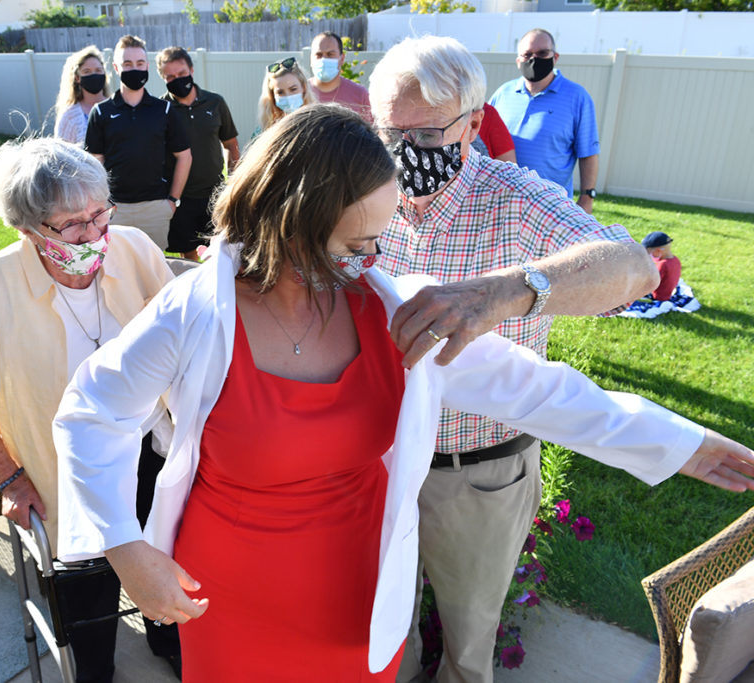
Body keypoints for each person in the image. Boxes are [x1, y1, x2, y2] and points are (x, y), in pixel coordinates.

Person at [51, 105, 754, 682]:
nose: (375, 260)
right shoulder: (196, 312)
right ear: (292, 221)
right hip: (228, 597)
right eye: (356, 243)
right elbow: (90, 411)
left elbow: (542, 392)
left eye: (380, 238)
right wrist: (124, 548)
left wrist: (685, 444)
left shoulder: (401, 315)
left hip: (360, 591)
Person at [368, 36, 663, 683]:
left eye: (423, 134)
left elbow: (633, 267)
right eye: (388, 130)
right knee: (381, 629)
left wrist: (506, 291)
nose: (400, 152)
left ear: (473, 123)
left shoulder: (514, 199)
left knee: (469, 644)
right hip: (380, 462)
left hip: (475, 473)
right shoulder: (367, 189)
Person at [0, 137, 180, 682]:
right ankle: (93, 668)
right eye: (71, 225)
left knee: (162, 552)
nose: (94, 235)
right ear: (27, 227)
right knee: (88, 587)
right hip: (63, 467)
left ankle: (170, 638)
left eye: (100, 214)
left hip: (148, 444)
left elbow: (183, 339)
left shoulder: (135, 249)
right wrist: (10, 479)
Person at [84, 34, 192, 250]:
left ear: (147, 66)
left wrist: (172, 202)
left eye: (140, 63)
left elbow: (184, 156)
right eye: (127, 63)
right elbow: (94, 163)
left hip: (155, 208)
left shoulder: (164, 109)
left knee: (155, 275)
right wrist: (101, 206)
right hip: (115, 210)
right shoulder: (101, 112)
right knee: (116, 273)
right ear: (116, 67)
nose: (135, 68)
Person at [489, 28, 600, 213]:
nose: (534, 59)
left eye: (542, 53)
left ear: (555, 57)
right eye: (527, 54)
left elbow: (588, 152)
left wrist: (587, 198)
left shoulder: (577, 97)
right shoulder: (503, 94)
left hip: (550, 207)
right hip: (502, 203)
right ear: (518, 61)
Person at [157, 46, 240, 261]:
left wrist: (234, 182)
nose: (177, 79)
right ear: (163, 78)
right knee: (188, 253)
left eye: (182, 74)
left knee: (222, 249)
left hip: (215, 193)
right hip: (180, 198)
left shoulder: (215, 102)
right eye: (170, 76)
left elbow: (231, 144)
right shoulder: (160, 109)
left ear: (192, 70)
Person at [307, 31, 372, 122]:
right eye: (319, 55)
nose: (323, 60)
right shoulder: (300, 92)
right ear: (311, 59)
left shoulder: (360, 94)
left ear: (342, 59)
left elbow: (371, 132)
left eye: (330, 54)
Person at [54, 45, 109, 145]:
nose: (94, 75)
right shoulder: (70, 117)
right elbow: (61, 154)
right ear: (77, 78)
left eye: (98, 70)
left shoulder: (117, 108)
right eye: (87, 71)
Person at [254, 56, 314, 136]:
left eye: (293, 89)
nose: (288, 96)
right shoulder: (263, 131)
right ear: (272, 95)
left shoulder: (317, 124)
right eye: (280, 92)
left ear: (304, 87)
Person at [642, 230, 682, 301]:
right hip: (669, 293)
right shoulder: (675, 260)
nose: (648, 256)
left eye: (649, 253)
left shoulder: (663, 264)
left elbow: (651, 283)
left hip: (658, 297)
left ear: (658, 251)